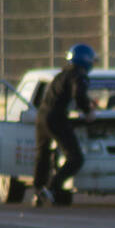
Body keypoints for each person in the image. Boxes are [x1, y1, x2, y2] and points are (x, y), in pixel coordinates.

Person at [32, 43, 96, 207]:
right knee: (75, 158)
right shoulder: (78, 75)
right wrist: (88, 110)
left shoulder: (61, 74)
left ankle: (38, 191)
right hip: (56, 118)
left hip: (42, 116)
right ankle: (52, 187)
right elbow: (79, 94)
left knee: (43, 155)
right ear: (86, 60)